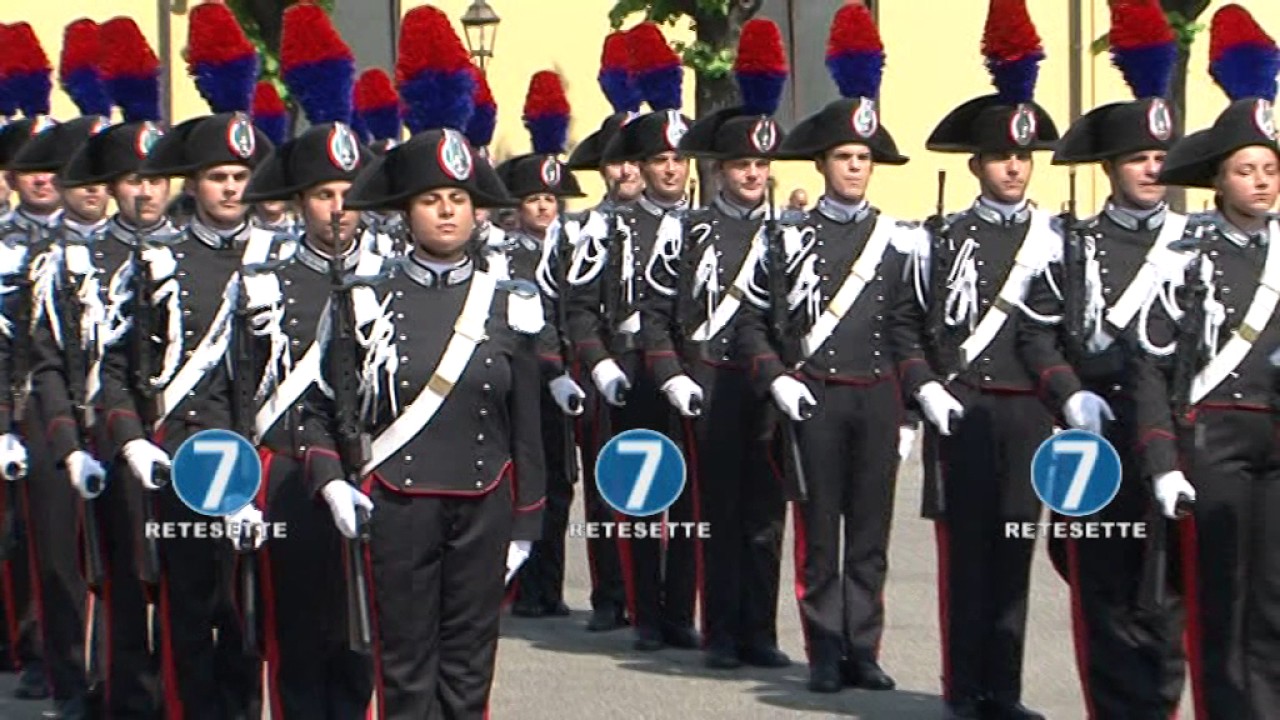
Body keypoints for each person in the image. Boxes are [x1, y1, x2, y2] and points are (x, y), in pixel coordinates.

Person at [301, 8, 544, 718]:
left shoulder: (510, 301)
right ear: (406, 210)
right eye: (431, 200)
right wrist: (330, 482)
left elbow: (526, 422)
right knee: (405, 673)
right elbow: (320, 406)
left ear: (476, 211)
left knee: (470, 674)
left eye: (459, 200)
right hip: (398, 504)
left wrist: (528, 522)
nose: (446, 213)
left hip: (483, 505)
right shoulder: (362, 298)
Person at [892, 2, 1078, 717]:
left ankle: (1004, 690)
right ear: (977, 164)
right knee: (963, 561)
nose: (1015, 168)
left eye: (1024, 157)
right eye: (1003, 156)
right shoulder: (941, 238)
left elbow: (1062, 331)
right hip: (963, 408)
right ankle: (960, 688)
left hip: (1028, 413)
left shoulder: (1056, 239)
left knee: (1013, 559)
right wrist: (923, 392)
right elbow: (907, 325)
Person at [98, 5, 276, 717]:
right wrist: (132, 441)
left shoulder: (284, 259)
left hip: (264, 462)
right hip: (187, 461)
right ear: (192, 183)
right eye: (216, 176)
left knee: (252, 619)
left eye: (241, 175)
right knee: (188, 613)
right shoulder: (156, 263)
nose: (231, 188)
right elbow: (115, 368)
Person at [736, 5, 919, 692]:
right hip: (814, 396)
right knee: (819, 536)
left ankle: (862, 649)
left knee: (870, 536)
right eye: (844, 157)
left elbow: (905, 327)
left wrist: (909, 410)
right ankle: (822, 651)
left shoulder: (897, 241)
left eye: (864, 158)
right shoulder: (785, 239)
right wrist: (777, 378)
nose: (855, 168)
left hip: (875, 396)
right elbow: (752, 325)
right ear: (823, 161)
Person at [1014, 2, 1188, 716]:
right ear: (1111, 166)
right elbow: (1036, 336)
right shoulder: (1073, 244)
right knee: (1101, 583)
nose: (1151, 169)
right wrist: (1068, 395)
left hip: (1177, 436)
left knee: (1174, 584)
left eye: (1159, 156)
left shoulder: (1195, 243)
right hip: (1096, 437)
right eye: (1137, 158)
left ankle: (1161, 702)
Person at [1134, 7, 1280, 717]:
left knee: (1275, 602)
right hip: (1213, 438)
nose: (1260, 181)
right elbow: (1153, 368)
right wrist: (1163, 461)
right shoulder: (1185, 255)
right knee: (1219, 600)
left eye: (1269, 169)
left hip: (1277, 442)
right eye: (1245, 170)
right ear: (1218, 180)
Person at [236, 6, 378, 717]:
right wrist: (238, 488)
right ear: (299, 202)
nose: (339, 208)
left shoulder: (390, 277)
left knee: (363, 643)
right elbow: (242, 390)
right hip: (290, 474)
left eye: (349, 194)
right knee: (298, 635)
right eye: (324, 194)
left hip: (374, 467)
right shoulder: (267, 283)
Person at [644, 18, 793, 672]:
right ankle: (721, 633)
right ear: (722, 170)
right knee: (717, 517)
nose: (754, 175)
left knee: (767, 518)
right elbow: (654, 316)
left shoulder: (791, 235)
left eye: (762, 164)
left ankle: (760, 631)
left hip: (769, 392)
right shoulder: (690, 232)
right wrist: (673, 374)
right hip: (709, 387)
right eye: (743, 165)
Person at [6, 22, 116, 713]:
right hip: (40, 412)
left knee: (122, 562)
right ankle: (62, 668)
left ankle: (106, 676)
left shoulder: (133, 248)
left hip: (117, 416)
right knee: (54, 555)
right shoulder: (23, 246)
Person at [586, 21, 703, 653]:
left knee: (688, 500)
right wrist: (600, 363)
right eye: (661, 159)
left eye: (680, 160)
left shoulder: (705, 227)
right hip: (630, 366)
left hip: (691, 368)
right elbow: (580, 307)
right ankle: (641, 609)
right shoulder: (610, 228)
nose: (672, 170)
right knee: (636, 496)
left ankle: (680, 610)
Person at [495, 71, 589, 619]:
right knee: (527, 483)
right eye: (534, 199)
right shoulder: (505, 258)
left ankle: (548, 587)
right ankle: (524, 588)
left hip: (571, 384)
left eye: (551, 199)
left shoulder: (578, 249)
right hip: (528, 383)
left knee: (561, 485)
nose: (545, 209)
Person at [561, 29, 646, 634]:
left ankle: (657, 597)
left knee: (662, 486)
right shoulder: (581, 230)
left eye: (635, 159)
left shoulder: (680, 224)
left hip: (661, 367)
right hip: (600, 369)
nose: (626, 171)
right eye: (617, 161)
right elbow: (573, 305)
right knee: (603, 486)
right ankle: (609, 593)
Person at [0, 23, 60, 701]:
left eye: (54, 167)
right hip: (10, 397)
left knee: (60, 545)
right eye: (31, 167)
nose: (43, 178)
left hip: (55, 403)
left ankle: (51, 646)